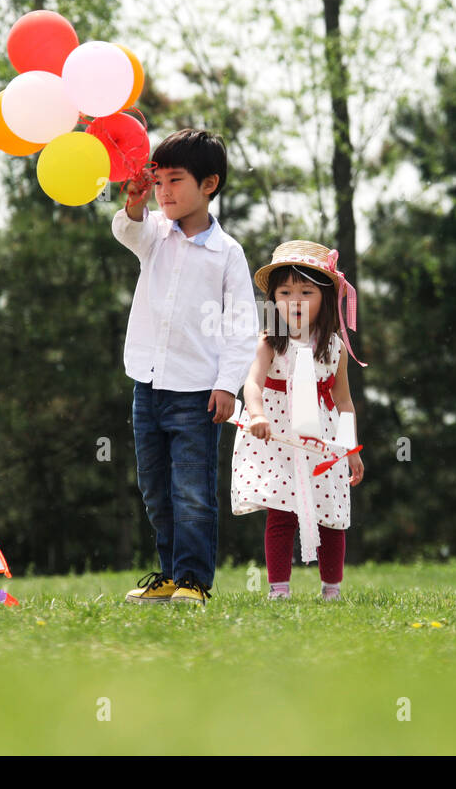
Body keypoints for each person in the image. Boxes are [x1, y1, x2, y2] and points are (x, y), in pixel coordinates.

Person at [113, 129, 259, 605]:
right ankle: (171, 576)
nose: (164, 192)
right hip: (147, 385)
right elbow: (127, 230)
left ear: (209, 184)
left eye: (175, 180)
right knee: (155, 489)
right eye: (158, 182)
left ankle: (195, 580)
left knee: (192, 492)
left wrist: (226, 386)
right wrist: (135, 204)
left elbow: (241, 328)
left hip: (197, 392)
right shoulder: (155, 233)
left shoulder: (227, 254)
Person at [231, 241, 366, 600]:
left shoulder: (334, 347)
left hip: (322, 439)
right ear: (273, 298)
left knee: (330, 513)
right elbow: (253, 384)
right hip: (275, 438)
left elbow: (343, 400)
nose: (295, 300)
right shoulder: (269, 343)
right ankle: (279, 589)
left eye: (306, 292)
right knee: (281, 511)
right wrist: (256, 414)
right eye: (286, 291)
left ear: (324, 298)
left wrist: (350, 447)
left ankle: (332, 589)